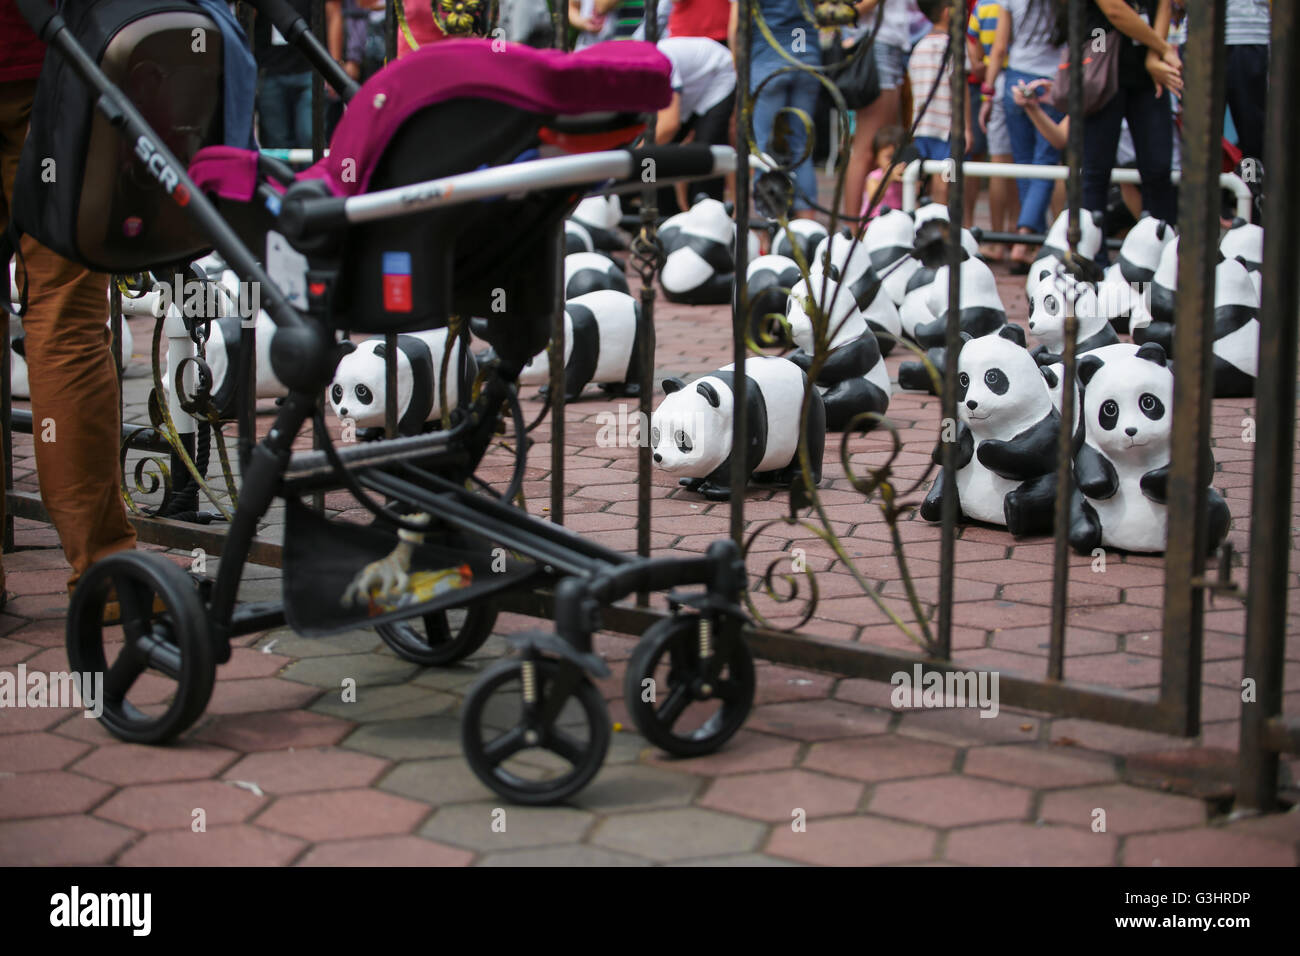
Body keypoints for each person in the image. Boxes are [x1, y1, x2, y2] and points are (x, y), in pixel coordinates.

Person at [0, 0, 138, 603]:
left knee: (67, 323)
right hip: (46, 60)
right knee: (66, 319)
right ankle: (107, 576)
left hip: (46, 58)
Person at [1075, 0, 1181, 228]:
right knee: (1095, 172)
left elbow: (1164, 4)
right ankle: (1092, 258)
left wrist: (1154, 56)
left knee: (1159, 171)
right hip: (1102, 61)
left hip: (1149, 72)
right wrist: (1163, 49)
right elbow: (1114, 9)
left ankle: (1161, 251)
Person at [979, 0, 1064, 272]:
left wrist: (988, 92)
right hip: (1051, 81)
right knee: (1045, 162)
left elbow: (1000, 47)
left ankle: (1026, 240)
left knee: (1024, 164)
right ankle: (1026, 238)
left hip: (1015, 80)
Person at [728, 0, 822, 220]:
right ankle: (807, 228)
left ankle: (766, 230)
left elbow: (737, 25)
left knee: (764, 151)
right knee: (802, 147)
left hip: (768, 62)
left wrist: (738, 70)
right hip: (807, 58)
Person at [841, 0, 922, 220]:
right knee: (867, 148)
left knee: (878, 146)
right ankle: (852, 229)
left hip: (889, 45)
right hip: (878, 43)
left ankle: (863, 222)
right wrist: (847, 15)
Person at [654, 36, 737, 213]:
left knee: (706, 144)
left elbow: (669, 125)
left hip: (719, 72)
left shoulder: (660, 62)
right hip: (691, 85)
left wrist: (637, 152)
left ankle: (708, 211)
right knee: (658, 153)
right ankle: (669, 213)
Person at [967, 0, 1017, 259]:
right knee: (1029, 165)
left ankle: (997, 239)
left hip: (995, 83)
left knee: (998, 163)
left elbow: (974, 54)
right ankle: (1020, 234)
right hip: (1025, 77)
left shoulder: (982, 6)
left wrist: (985, 79)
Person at [906, 0, 954, 204]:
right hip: (946, 126)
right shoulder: (953, 46)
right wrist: (967, 128)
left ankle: (920, 222)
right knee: (946, 177)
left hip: (921, 126)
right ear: (946, 13)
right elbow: (960, 87)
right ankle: (942, 222)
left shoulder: (919, 47)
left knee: (918, 179)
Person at [254, 0, 315, 148]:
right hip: (270, 68)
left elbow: (332, 12)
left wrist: (335, 60)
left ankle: (312, 172)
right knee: (277, 141)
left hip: (309, 67)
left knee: (309, 136)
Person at [1223, 0, 1269, 166]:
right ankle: (1201, 190)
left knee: (1252, 133)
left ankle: (1252, 186)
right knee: (1198, 135)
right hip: (1199, 37)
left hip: (1249, 33)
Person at [860, 124, 906, 220]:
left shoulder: (906, 176)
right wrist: (887, 178)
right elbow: (874, 200)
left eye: (898, 156)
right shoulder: (874, 177)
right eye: (889, 157)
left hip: (898, 222)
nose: (894, 161)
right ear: (876, 158)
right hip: (874, 222)